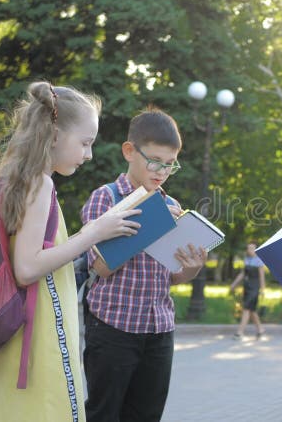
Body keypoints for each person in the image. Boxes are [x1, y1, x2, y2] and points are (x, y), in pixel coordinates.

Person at [0, 82, 140, 422]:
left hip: (24, 331)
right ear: (54, 134)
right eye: (85, 142)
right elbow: (26, 267)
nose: (89, 154)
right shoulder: (41, 184)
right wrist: (93, 232)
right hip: (41, 333)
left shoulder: (22, 179)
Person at [81, 108, 207, 422]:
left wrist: (193, 267)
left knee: (147, 415)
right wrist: (146, 226)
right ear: (129, 151)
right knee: (104, 412)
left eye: (169, 164)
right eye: (154, 161)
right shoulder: (105, 199)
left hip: (159, 328)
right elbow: (100, 268)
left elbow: (174, 276)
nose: (161, 171)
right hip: (112, 326)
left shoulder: (172, 206)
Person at [230, 242, 267, 339]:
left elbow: (261, 276)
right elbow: (242, 274)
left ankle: (240, 332)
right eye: (248, 248)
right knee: (252, 310)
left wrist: (263, 290)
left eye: (251, 248)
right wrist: (234, 284)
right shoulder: (247, 259)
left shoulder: (259, 261)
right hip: (247, 287)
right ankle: (260, 330)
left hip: (255, 287)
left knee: (246, 308)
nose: (249, 250)